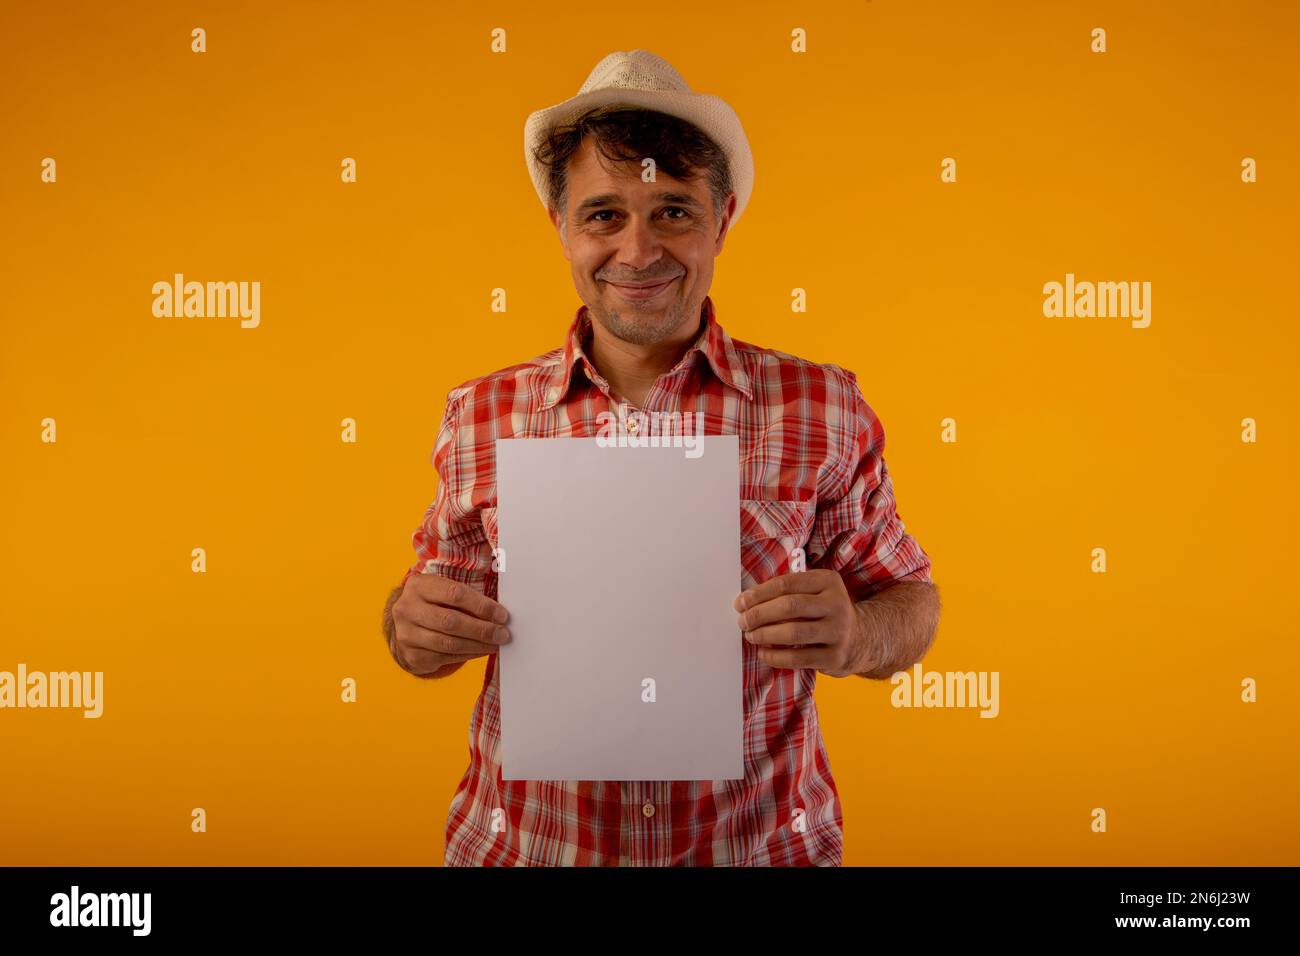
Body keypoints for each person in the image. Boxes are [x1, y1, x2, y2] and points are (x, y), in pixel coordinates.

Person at [382, 49, 941, 866]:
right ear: (561, 226)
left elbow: (911, 603)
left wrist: (859, 635)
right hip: (531, 849)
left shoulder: (820, 406)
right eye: (603, 215)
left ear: (723, 219)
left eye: (673, 211)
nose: (638, 252)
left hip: (758, 851)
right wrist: (409, 626)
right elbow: (427, 618)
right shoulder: (480, 414)